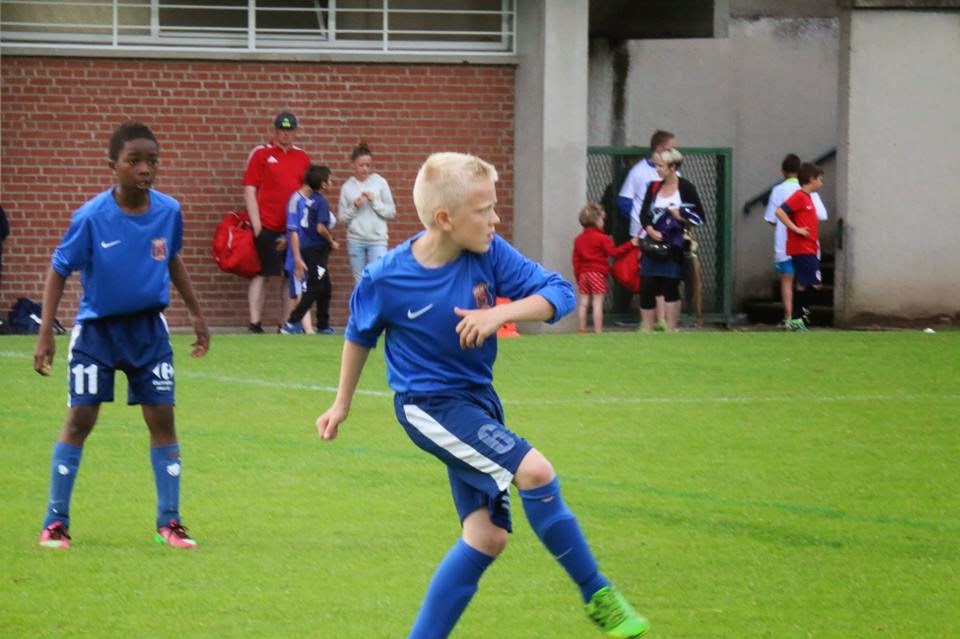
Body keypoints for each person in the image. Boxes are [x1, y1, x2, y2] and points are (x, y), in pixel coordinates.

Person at [315, 152, 650, 639]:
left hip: (477, 402)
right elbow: (359, 335)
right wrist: (340, 403)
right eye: (483, 210)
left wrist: (500, 313)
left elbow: (557, 292)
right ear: (445, 219)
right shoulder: (385, 277)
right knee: (535, 471)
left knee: (486, 537)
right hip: (428, 407)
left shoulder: (489, 254)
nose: (495, 219)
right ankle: (599, 596)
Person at [33, 121, 210, 550]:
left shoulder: (168, 211)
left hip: (149, 332)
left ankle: (170, 521)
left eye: (152, 160)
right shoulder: (91, 217)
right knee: (81, 419)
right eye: (134, 161)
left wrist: (197, 313)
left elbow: (173, 260)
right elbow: (59, 269)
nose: (145, 169)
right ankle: (55, 523)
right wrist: (46, 333)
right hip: (98, 334)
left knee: (162, 418)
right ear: (113, 165)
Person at [243, 111, 311, 332]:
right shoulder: (262, 154)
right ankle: (255, 322)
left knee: (289, 274)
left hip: (292, 228)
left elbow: (307, 192)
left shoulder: (302, 157)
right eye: (282, 130)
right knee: (262, 272)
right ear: (275, 131)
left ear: (295, 132)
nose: (286, 135)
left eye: (290, 131)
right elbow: (250, 188)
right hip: (267, 225)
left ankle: (286, 323)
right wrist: (256, 225)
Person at [638, 148, 706, 332]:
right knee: (647, 286)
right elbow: (644, 214)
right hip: (652, 244)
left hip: (673, 245)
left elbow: (699, 217)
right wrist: (650, 229)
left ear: (673, 167)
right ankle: (646, 327)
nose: (658, 169)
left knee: (670, 286)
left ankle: (671, 329)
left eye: (661, 166)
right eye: (657, 165)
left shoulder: (686, 188)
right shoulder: (653, 187)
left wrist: (680, 215)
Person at [618, 130, 677, 329]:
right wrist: (640, 223)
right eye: (670, 148)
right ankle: (647, 321)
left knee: (665, 275)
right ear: (659, 148)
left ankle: (662, 320)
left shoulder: (673, 172)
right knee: (646, 276)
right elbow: (624, 201)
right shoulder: (638, 172)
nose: (673, 152)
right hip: (643, 233)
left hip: (667, 232)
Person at [763, 153, 829, 329]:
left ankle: (795, 319)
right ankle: (797, 318)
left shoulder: (807, 197)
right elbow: (779, 212)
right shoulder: (800, 196)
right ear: (811, 179)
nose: (822, 183)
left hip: (808, 247)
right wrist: (796, 229)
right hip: (801, 247)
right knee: (813, 283)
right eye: (820, 179)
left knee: (801, 282)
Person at [281, 165, 340, 335]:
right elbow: (320, 228)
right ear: (322, 184)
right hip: (314, 251)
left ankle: (322, 325)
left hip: (313, 251)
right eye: (329, 180)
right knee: (314, 286)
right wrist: (331, 241)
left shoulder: (312, 200)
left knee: (325, 286)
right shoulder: (317, 201)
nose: (331, 183)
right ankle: (292, 323)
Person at [572, 202, 638, 333]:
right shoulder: (603, 238)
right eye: (602, 219)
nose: (603, 222)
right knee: (597, 302)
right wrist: (631, 244)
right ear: (596, 220)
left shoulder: (579, 239)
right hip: (597, 273)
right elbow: (614, 252)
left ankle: (582, 329)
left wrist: (578, 275)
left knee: (584, 302)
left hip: (584, 274)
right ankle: (598, 330)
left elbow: (575, 260)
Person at [338, 141, 396, 282]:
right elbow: (342, 218)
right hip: (355, 239)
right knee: (359, 279)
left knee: (378, 276)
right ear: (353, 165)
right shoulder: (347, 187)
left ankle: (376, 304)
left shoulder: (380, 182)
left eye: (368, 165)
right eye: (361, 165)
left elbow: (391, 212)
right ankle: (362, 305)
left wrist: (374, 201)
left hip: (377, 239)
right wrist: (354, 207)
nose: (364, 169)